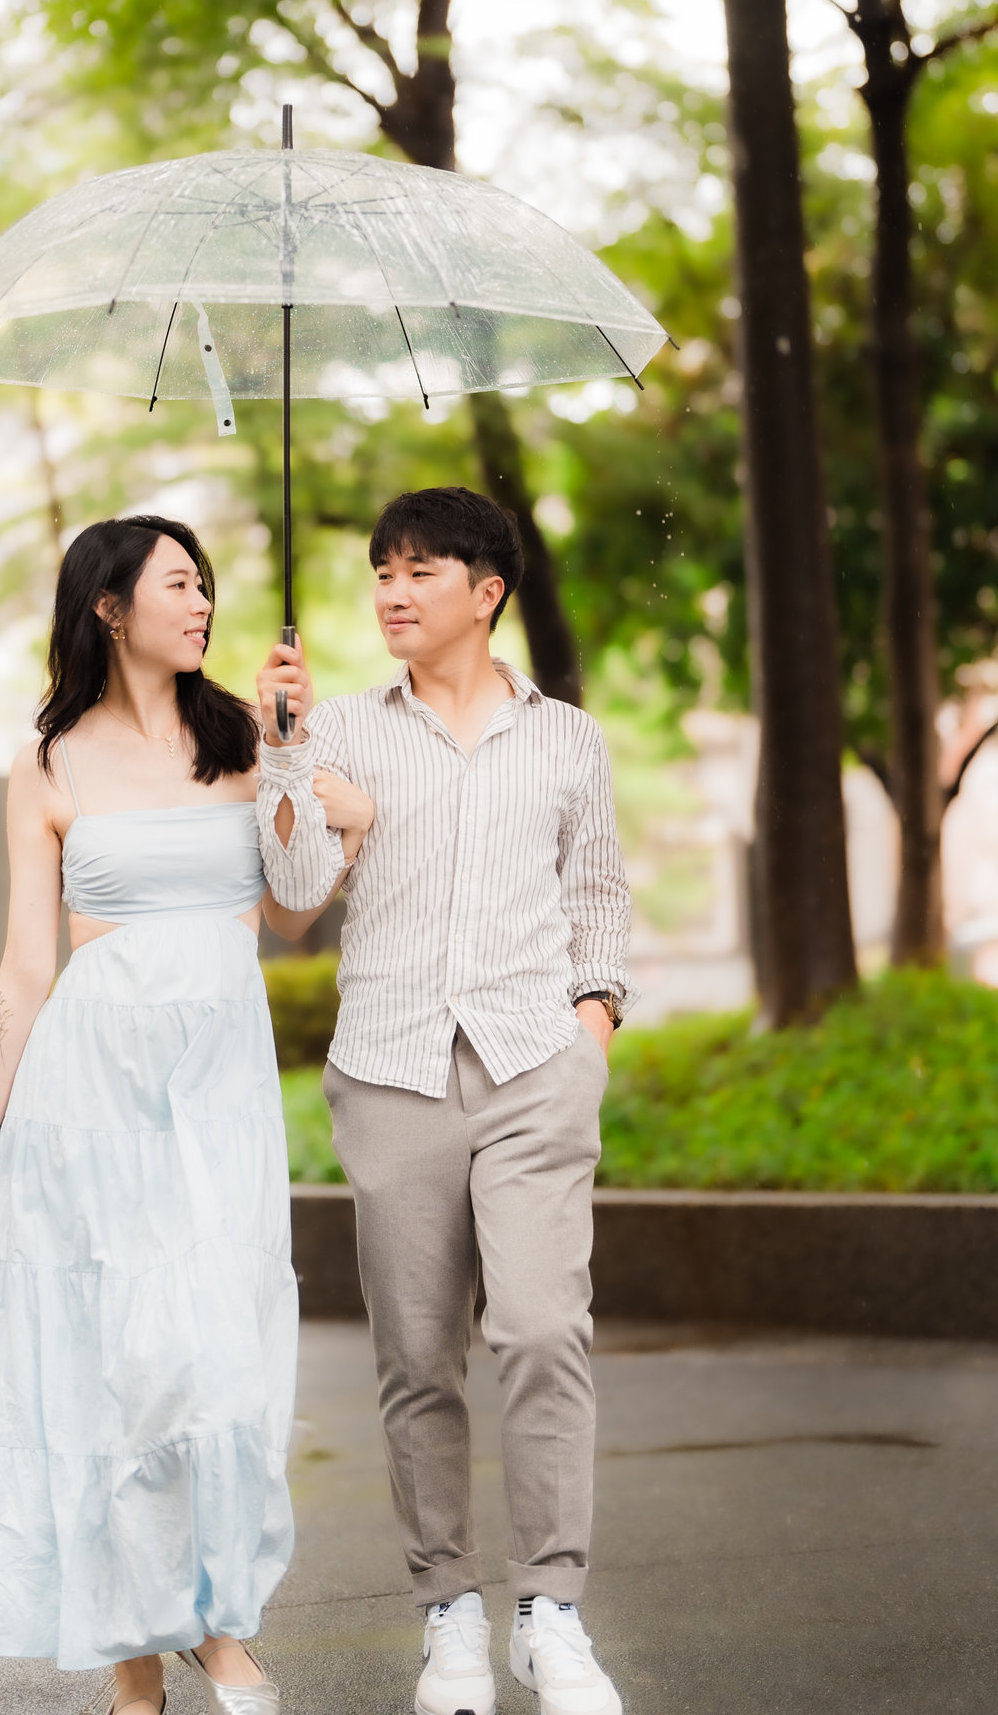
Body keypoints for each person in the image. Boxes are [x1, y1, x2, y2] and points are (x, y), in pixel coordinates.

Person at [0, 515, 374, 1715]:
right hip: (92, 1093)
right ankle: (136, 1663)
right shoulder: (47, 764)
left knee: (217, 1353)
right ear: (109, 608)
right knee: (109, 1364)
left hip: (217, 1089)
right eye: (177, 583)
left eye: (207, 584)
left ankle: (219, 1624)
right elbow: (25, 967)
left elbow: (289, 914)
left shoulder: (244, 738)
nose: (203, 602)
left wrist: (299, 768)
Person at [255, 486, 632, 1715]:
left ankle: (553, 1613)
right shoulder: (346, 728)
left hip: (533, 1065)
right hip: (391, 1068)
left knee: (538, 1330)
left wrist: (592, 1034)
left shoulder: (566, 737)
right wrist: (293, 752)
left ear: (487, 591)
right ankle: (450, 1617)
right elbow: (295, 894)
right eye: (380, 571)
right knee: (418, 1357)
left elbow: (599, 903)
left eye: (420, 570)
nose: (392, 592)